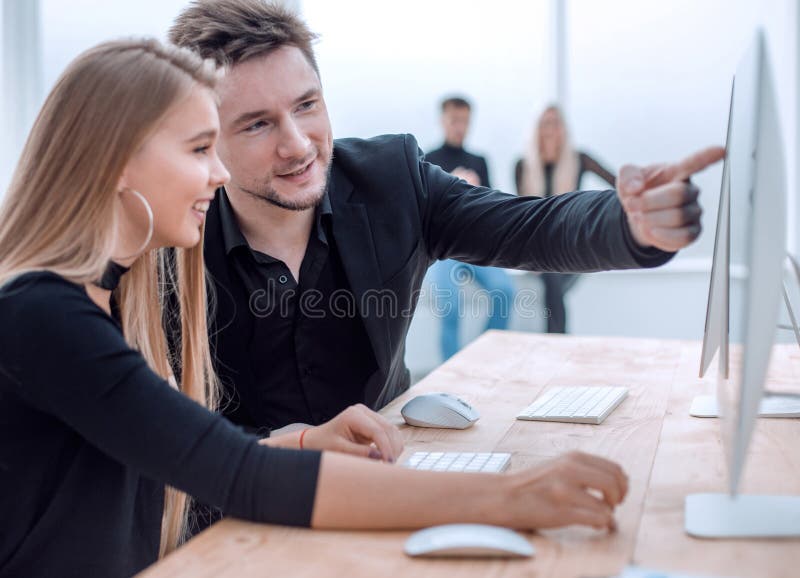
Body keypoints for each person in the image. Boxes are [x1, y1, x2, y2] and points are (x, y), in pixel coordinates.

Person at [0, 38, 634, 578]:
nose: (218, 174)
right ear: (116, 164)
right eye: (200, 149)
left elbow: (187, 464)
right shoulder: (46, 317)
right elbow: (237, 475)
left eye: (306, 105)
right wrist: (509, 497)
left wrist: (303, 440)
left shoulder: (92, 301)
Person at [168, 0, 722, 438]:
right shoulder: (167, 241)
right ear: (204, 137)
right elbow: (161, 436)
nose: (298, 145)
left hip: (385, 482)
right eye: (258, 124)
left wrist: (630, 224)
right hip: (229, 513)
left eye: (306, 106)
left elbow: (527, 225)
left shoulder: (392, 180)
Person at [425, 96, 515, 359]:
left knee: (505, 291)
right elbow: (424, 212)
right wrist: (451, 184)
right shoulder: (427, 160)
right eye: (454, 120)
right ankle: (452, 367)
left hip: (475, 245)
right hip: (441, 251)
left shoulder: (479, 161)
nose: (460, 127)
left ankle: (482, 359)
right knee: (451, 306)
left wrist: (475, 192)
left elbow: (491, 210)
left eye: (465, 121)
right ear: (442, 121)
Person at [514, 105, 617, 333]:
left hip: (574, 245)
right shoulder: (522, 166)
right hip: (538, 249)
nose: (551, 129)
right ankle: (558, 339)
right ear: (537, 129)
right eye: (545, 123)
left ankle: (554, 340)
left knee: (554, 277)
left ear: (564, 129)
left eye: (556, 123)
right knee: (551, 275)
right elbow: (522, 214)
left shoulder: (580, 160)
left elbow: (618, 187)